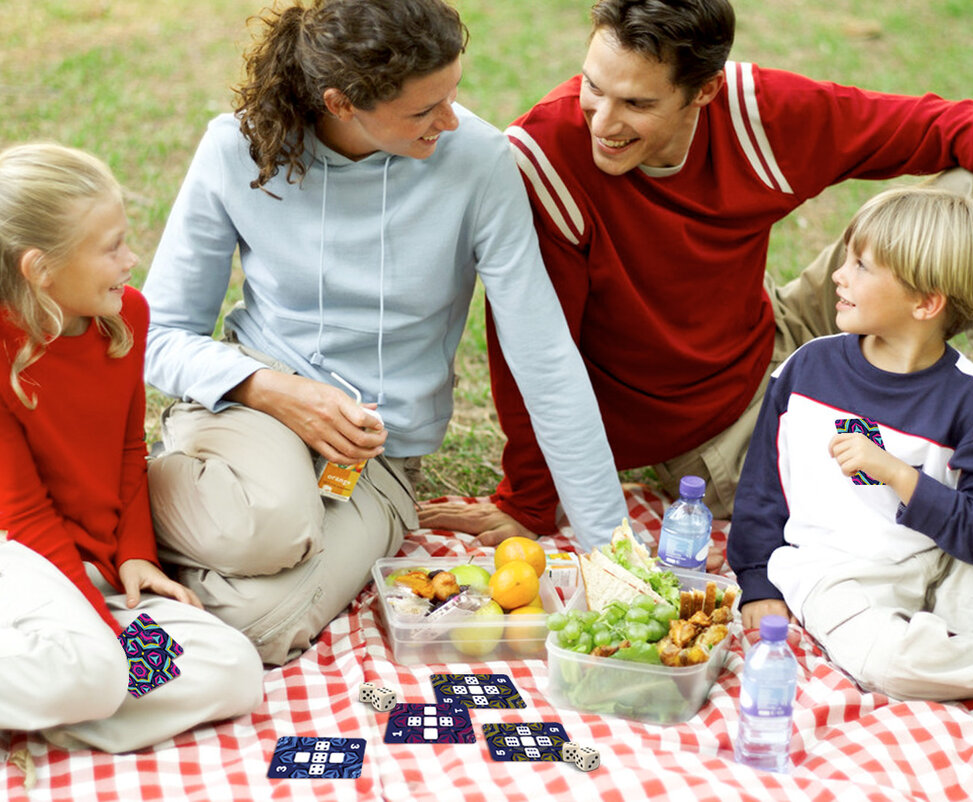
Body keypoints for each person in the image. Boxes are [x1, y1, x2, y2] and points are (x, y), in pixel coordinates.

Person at [419, 0, 973, 575]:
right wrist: (531, 500)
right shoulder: (547, 160)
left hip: (780, 329)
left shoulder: (756, 116)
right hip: (719, 431)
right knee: (918, 458)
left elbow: (947, 125)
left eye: (635, 104)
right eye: (592, 89)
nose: (602, 122)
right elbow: (534, 353)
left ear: (704, 91)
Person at [141, 0, 626, 665]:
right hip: (252, 408)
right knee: (270, 528)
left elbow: (544, 356)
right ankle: (112, 506)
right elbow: (158, 333)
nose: (450, 120)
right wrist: (269, 388)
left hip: (375, 457)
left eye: (452, 94)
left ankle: (144, 566)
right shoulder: (237, 148)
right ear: (341, 103)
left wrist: (611, 552)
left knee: (263, 627)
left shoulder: (480, 162)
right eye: (424, 111)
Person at [727, 186, 973, 718]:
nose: (838, 275)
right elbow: (761, 490)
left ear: (925, 303)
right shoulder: (807, 371)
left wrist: (902, 477)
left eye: (861, 265)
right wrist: (757, 582)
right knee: (892, 660)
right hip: (836, 577)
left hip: (948, 566)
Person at [0, 144, 263, 752]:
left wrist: (135, 553)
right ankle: (19, 675)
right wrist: (91, 615)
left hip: (89, 570)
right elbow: (21, 511)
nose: (131, 260)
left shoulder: (127, 317)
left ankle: (23, 693)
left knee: (231, 667)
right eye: (111, 247)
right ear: (40, 268)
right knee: (93, 662)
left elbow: (126, 451)